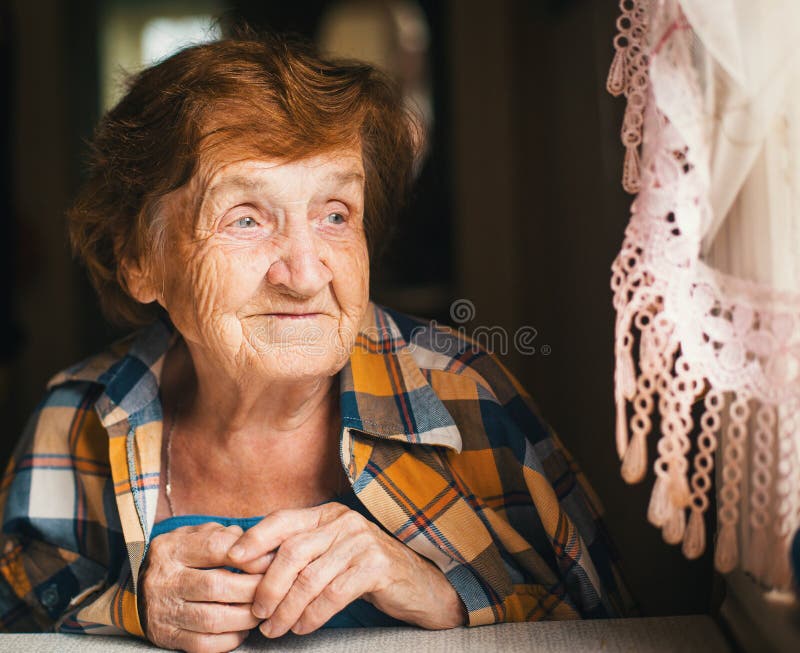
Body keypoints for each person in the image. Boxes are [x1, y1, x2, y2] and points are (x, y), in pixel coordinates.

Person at [0, 31, 629, 652]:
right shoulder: (77, 416)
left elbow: (618, 624)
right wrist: (128, 606)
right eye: (245, 218)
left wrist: (447, 596)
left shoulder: (462, 391)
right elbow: (17, 617)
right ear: (139, 259)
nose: (305, 275)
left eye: (335, 214)